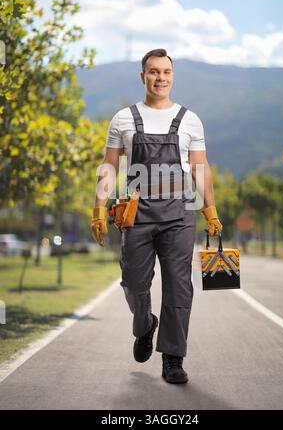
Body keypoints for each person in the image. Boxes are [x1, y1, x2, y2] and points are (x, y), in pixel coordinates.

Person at [91, 49, 223, 384]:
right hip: (136, 212)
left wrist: (211, 209)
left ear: (172, 76)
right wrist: (97, 210)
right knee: (133, 281)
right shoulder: (123, 118)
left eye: (165, 72)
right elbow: (109, 167)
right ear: (142, 76)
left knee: (179, 286)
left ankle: (173, 359)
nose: (160, 78)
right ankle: (144, 323)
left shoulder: (190, 119)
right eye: (153, 72)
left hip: (179, 212)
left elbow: (200, 167)